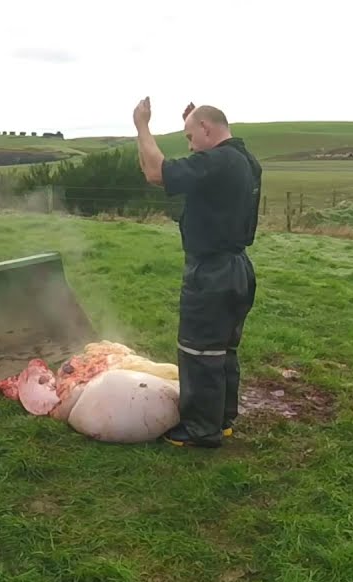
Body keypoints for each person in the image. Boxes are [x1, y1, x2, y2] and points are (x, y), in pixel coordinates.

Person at [131, 98, 261, 448]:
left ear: (207, 128)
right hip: (238, 268)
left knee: (199, 350)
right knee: (223, 349)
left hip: (212, 271)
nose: (189, 146)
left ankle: (200, 430)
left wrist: (142, 126)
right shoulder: (245, 160)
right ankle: (222, 418)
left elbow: (155, 173)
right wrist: (190, 121)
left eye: (190, 136)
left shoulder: (219, 161)